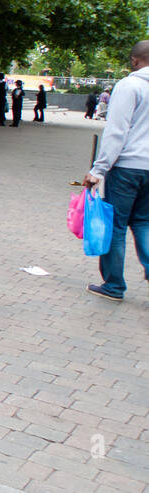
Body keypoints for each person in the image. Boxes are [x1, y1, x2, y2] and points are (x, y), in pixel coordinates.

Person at [82, 40, 149, 301]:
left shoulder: (129, 85)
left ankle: (114, 285)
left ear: (135, 60)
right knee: (144, 222)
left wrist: (98, 169)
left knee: (117, 226)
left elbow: (117, 132)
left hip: (127, 168)